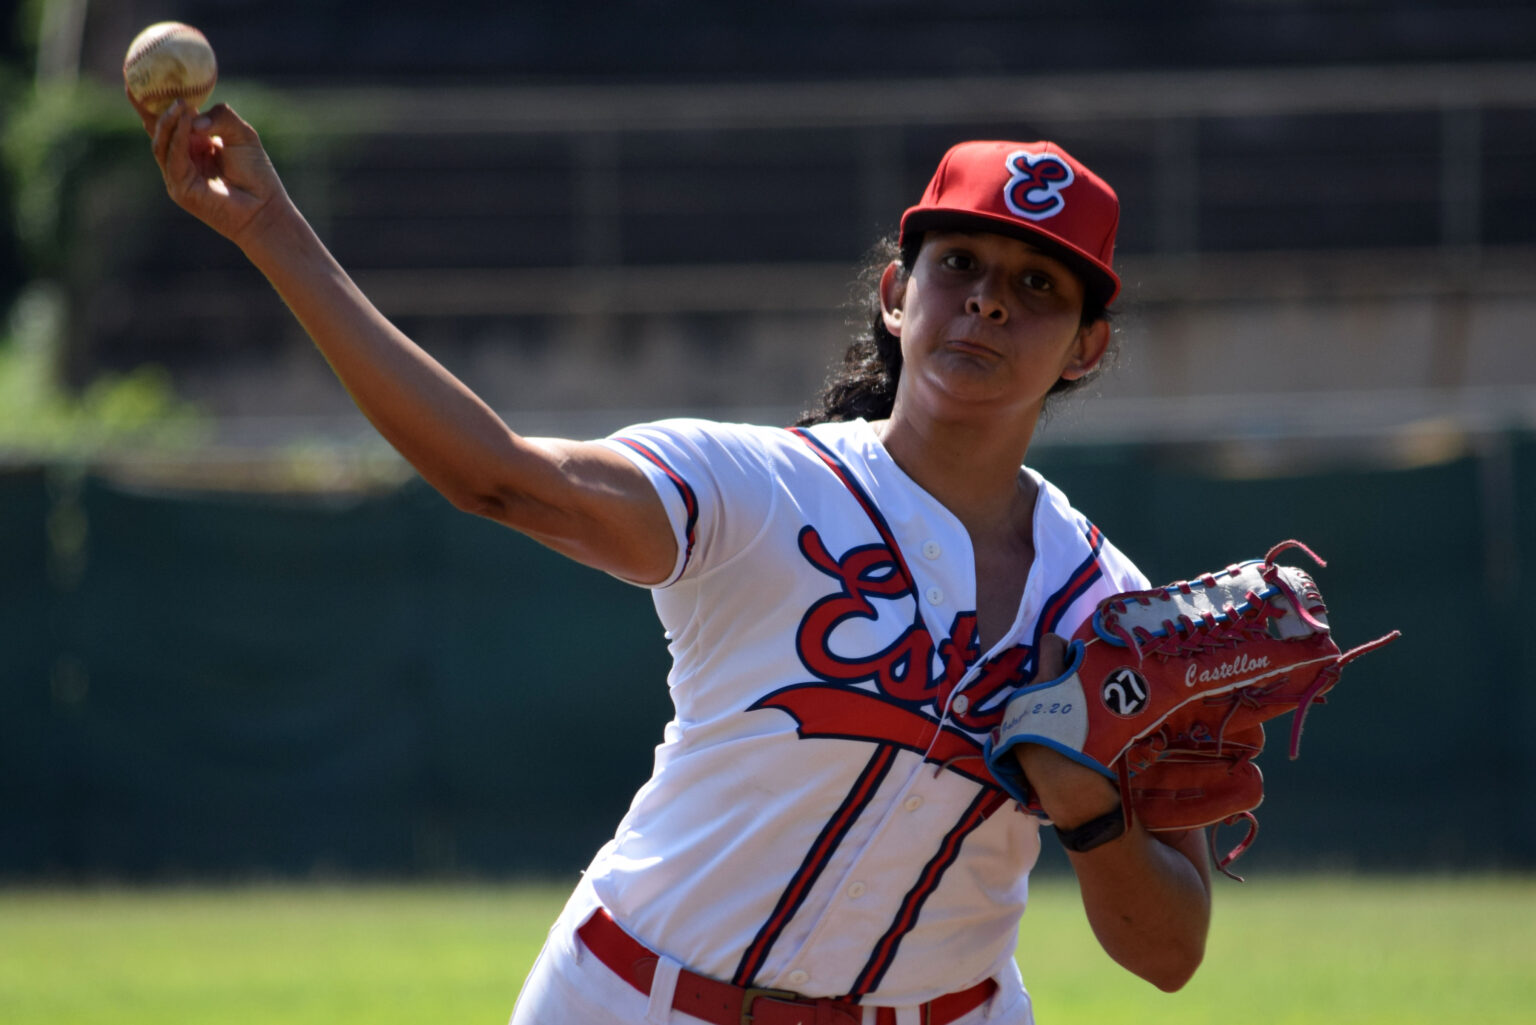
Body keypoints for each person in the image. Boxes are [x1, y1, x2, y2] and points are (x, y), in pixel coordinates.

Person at [138, 94, 1213, 1024]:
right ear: (897, 292)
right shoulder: (764, 491)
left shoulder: (1109, 611)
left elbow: (1169, 951)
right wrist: (273, 228)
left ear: (1087, 346)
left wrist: (1093, 812)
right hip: (635, 994)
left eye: (1038, 286)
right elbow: (501, 476)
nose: (987, 298)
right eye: (962, 263)